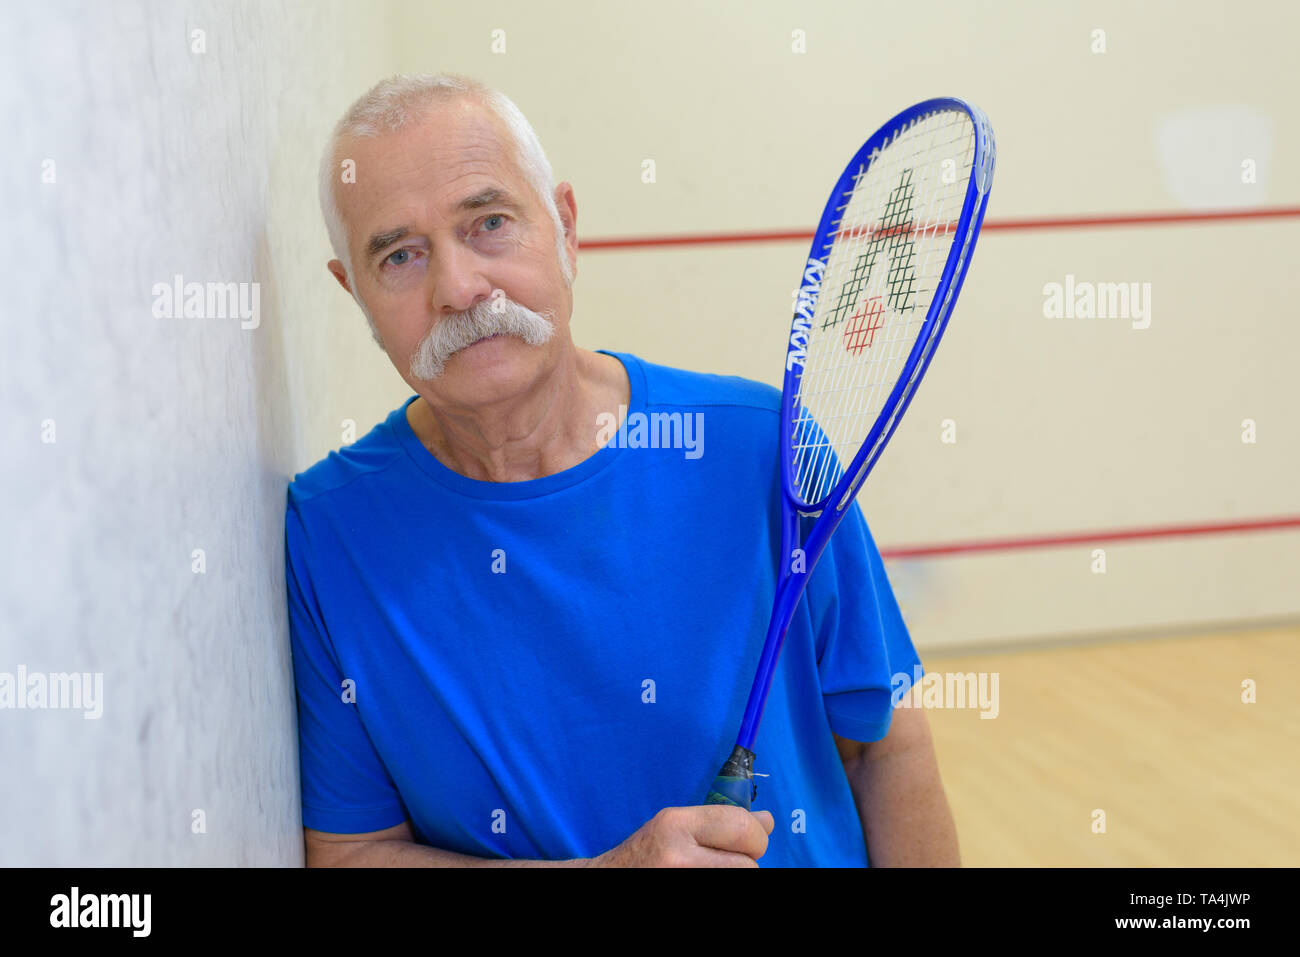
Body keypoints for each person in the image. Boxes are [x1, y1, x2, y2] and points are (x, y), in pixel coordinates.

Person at [286, 72, 959, 867]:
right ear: (354, 291)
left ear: (565, 228)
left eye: (490, 223)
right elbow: (355, 851)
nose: (460, 288)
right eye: (400, 255)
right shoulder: (330, 533)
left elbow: (886, 750)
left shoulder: (763, 448)